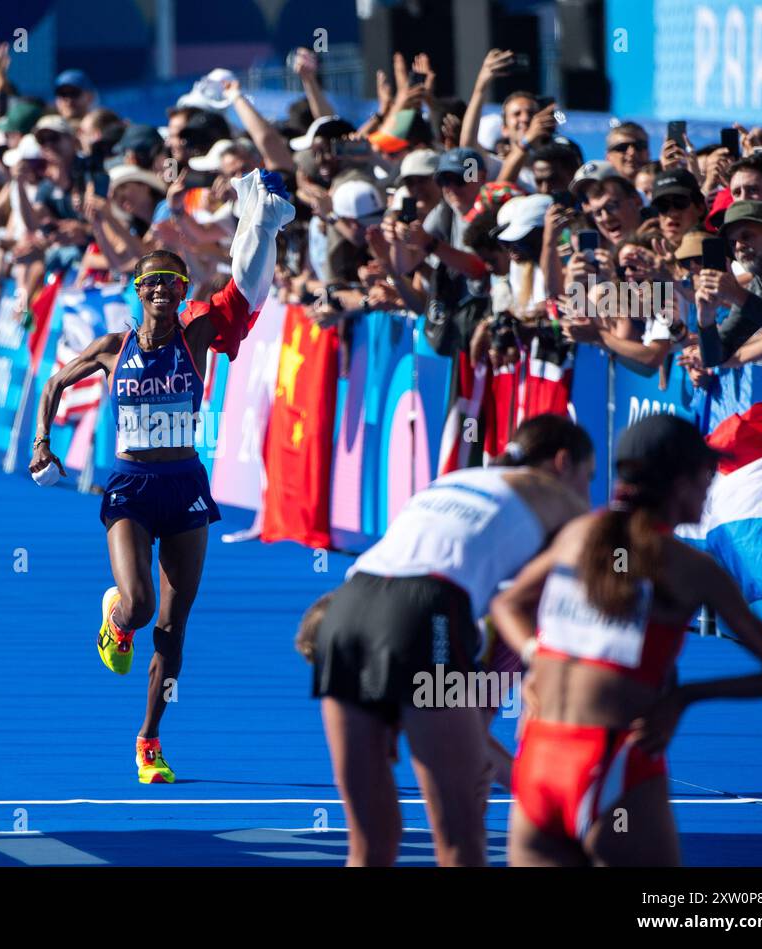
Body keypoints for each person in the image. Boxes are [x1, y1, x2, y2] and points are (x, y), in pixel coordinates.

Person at [29, 169, 294, 784]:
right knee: (143, 607)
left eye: (172, 285)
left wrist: (260, 220)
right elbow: (53, 382)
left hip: (185, 488)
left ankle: (149, 740)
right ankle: (116, 616)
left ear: (181, 292)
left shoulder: (197, 332)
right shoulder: (111, 346)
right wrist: (44, 444)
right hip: (128, 489)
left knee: (174, 628)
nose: (162, 293)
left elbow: (245, 292)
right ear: (138, 290)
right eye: (152, 284)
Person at [491, 414, 762, 866]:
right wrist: (682, 698)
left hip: (538, 761)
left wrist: (535, 655)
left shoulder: (576, 537)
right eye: (706, 475)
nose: (710, 488)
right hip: (613, 766)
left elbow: (507, 605)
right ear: (679, 483)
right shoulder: (689, 567)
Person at [310, 414, 594, 865]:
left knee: (369, 846)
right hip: (425, 613)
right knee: (460, 842)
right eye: (589, 477)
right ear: (563, 462)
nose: (588, 491)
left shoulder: (455, 480)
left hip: (346, 610)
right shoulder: (560, 501)